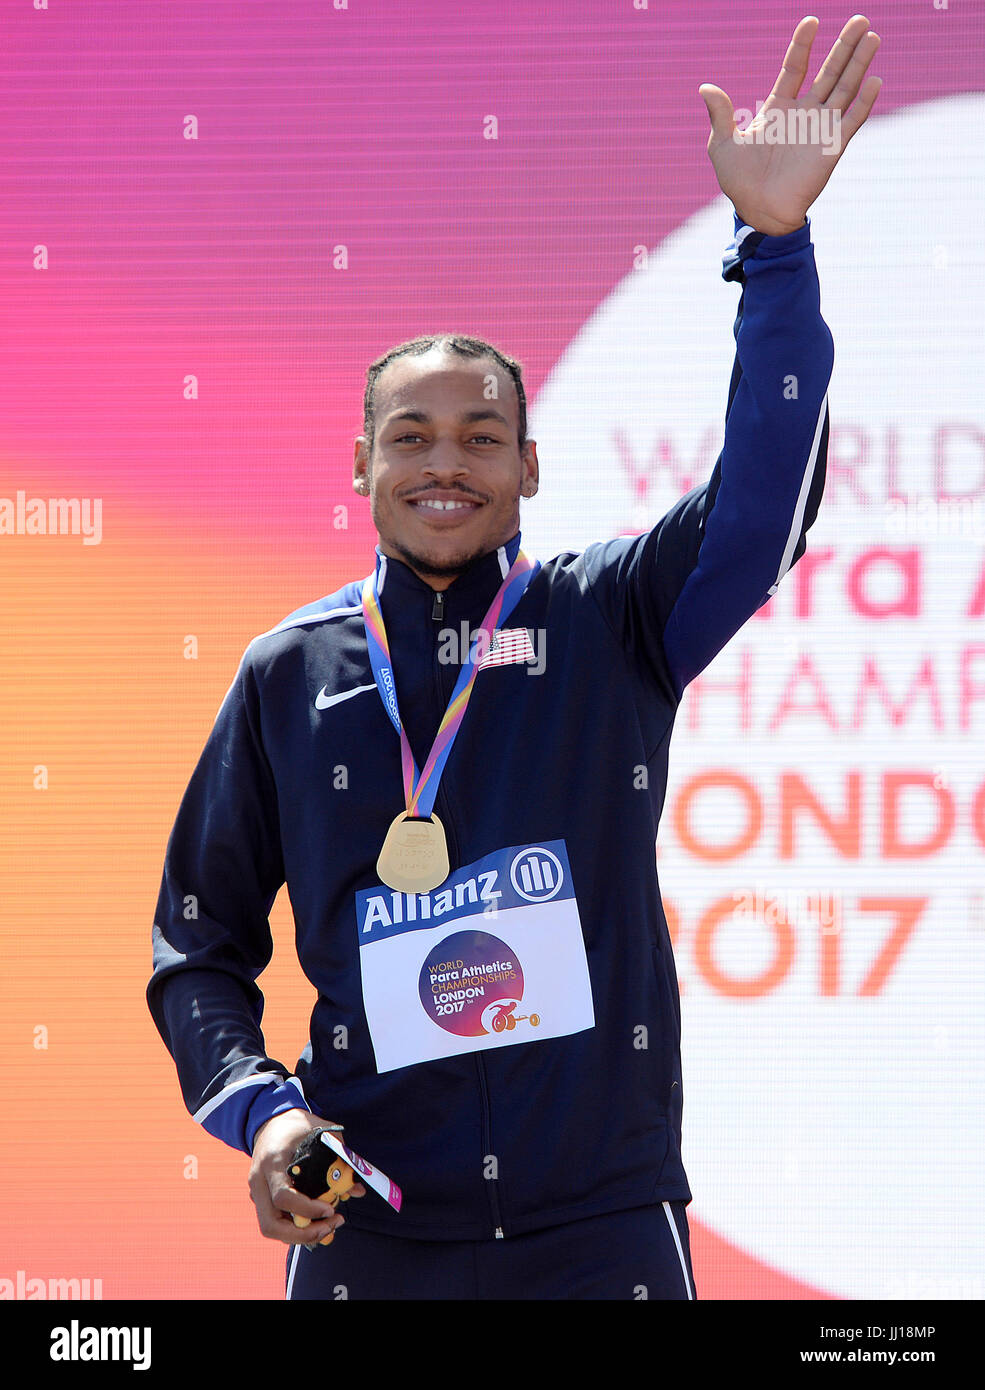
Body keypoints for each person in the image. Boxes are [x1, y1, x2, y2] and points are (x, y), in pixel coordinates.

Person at [147, 15, 881, 1299]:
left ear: (529, 467)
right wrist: (261, 1114)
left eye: (482, 436)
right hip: (367, 1220)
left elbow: (766, 503)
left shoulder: (615, 618)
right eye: (412, 435)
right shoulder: (287, 674)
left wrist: (774, 249)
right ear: (362, 467)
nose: (445, 462)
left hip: (599, 1222)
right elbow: (196, 946)